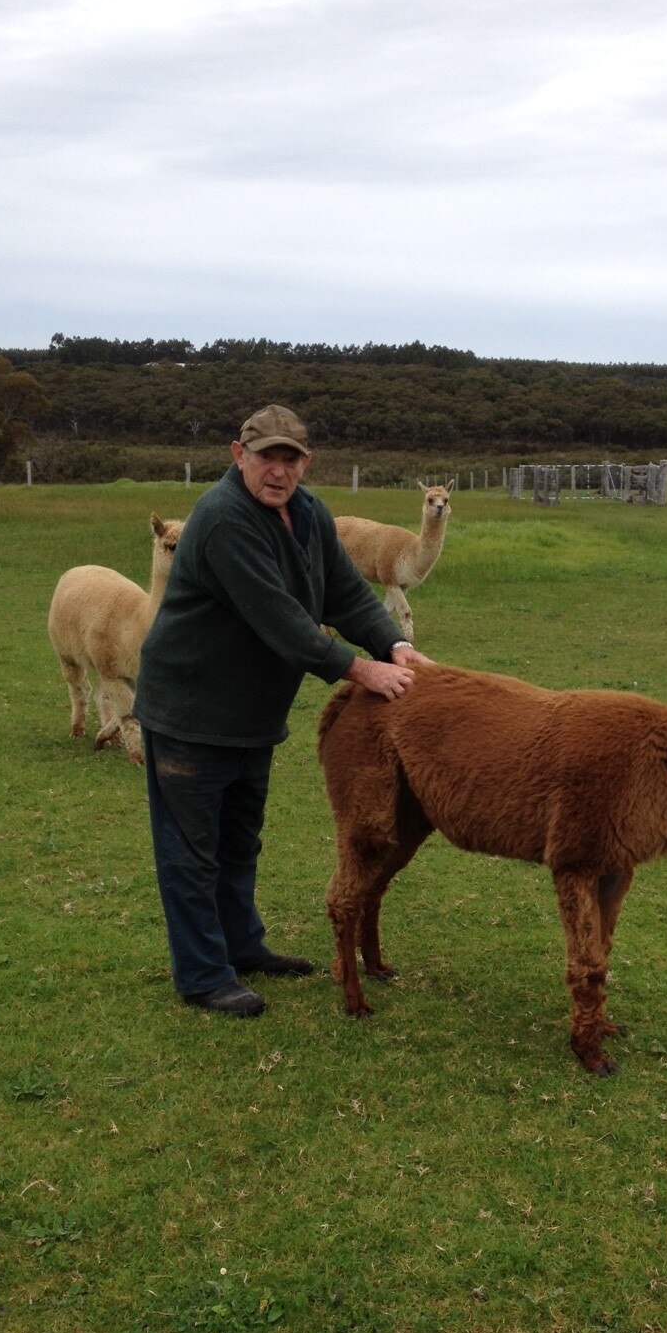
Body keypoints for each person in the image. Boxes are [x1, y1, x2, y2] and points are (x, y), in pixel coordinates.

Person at [133, 404, 430, 1017]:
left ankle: (242, 947)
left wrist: (394, 644)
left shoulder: (311, 513)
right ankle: (202, 974)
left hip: (248, 714)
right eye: (266, 455)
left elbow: (344, 590)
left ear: (305, 463)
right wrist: (360, 668)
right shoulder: (222, 520)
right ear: (238, 454)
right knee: (192, 849)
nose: (278, 470)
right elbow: (278, 617)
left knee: (241, 840)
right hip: (191, 710)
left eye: (290, 458)